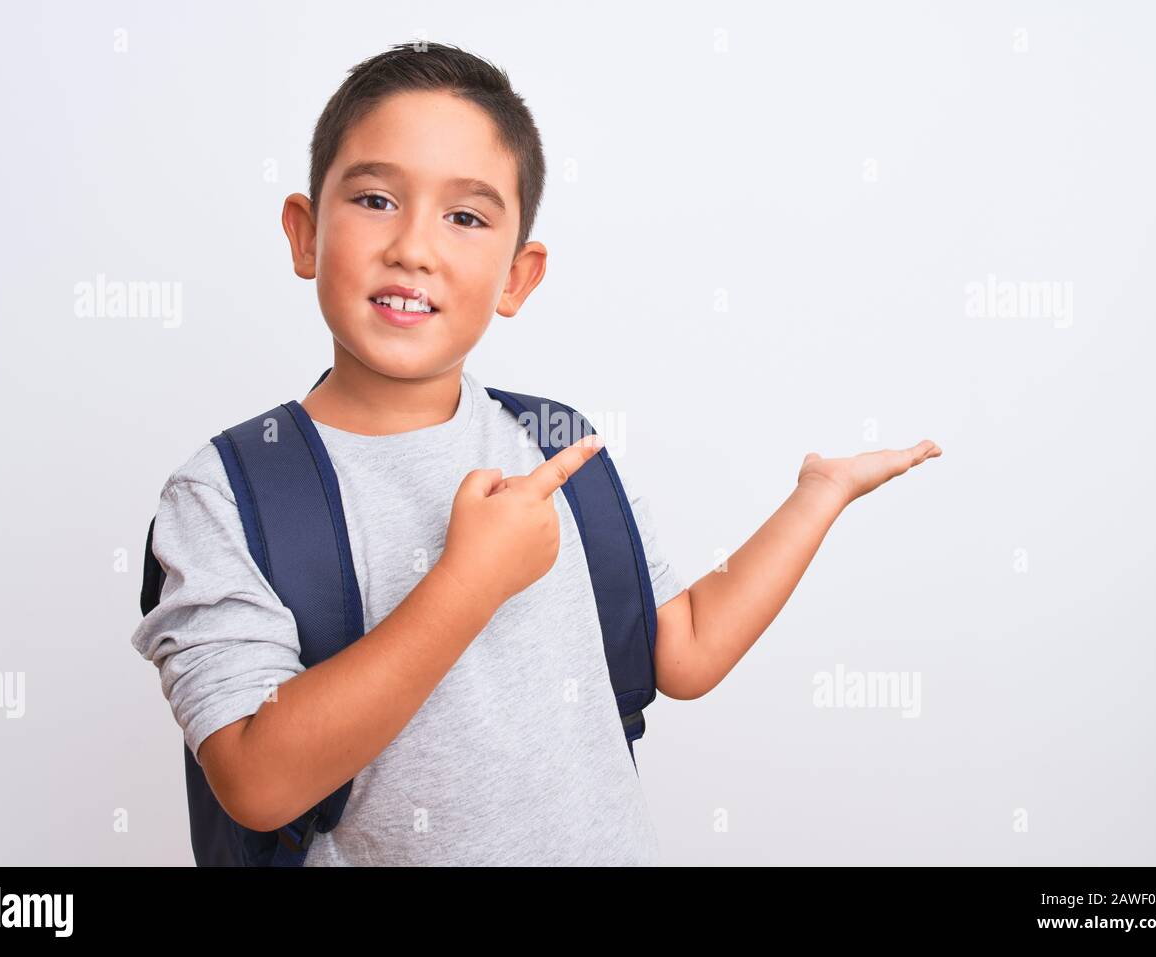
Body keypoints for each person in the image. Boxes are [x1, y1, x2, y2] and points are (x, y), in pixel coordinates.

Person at [130, 41, 941, 866]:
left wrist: (818, 495)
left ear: (519, 277)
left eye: (466, 217)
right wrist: (468, 581)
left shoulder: (555, 442)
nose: (414, 246)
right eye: (376, 198)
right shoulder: (226, 495)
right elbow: (257, 780)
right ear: (305, 234)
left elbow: (685, 647)